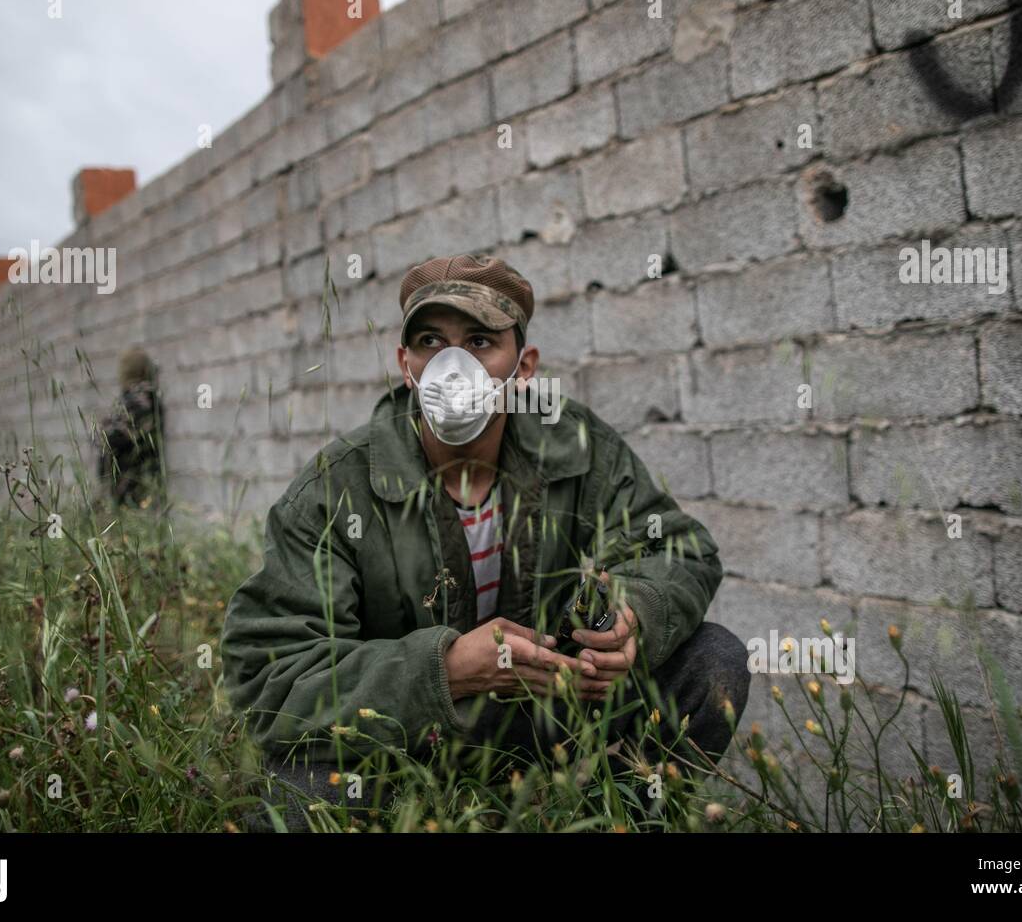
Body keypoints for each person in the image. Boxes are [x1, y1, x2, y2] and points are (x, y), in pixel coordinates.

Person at [221, 254, 750, 830]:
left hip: (548, 715)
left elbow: (677, 548)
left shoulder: (570, 442)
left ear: (523, 367)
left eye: (478, 341)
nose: (453, 366)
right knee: (298, 804)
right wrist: (442, 670)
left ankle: (616, 820)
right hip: (399, 741)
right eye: (430, 341)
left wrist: (635, 617)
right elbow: (266, 677)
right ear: (406, 365)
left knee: (712, 660)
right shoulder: (338, 486)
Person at [96, 347, 165, 509]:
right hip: (126, 486)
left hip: (133, 488)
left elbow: (111, 437)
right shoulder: (136, 398)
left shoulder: (141, 399)